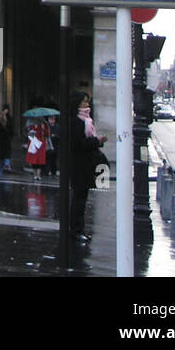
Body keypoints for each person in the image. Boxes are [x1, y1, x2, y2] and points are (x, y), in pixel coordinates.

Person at [68, 92, 108, 241]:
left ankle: (79, 229)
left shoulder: (87, 121)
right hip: (79, 165)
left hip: (85, 165)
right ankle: (76, 230)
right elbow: (78, 144)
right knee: (78, 199)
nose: (87, 105)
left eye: (88, 102)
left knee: (82, 198)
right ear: (77, 104)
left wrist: (98, 141)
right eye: (84, 102)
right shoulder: (77, 122)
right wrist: (97, 141)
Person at [0, 105, 14, 174]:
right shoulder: (8, 122)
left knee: (0, 157)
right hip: (4, 141)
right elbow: (11, 131)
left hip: (0, 141)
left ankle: (0, 169)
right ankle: (5, 165)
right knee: (5, 154)